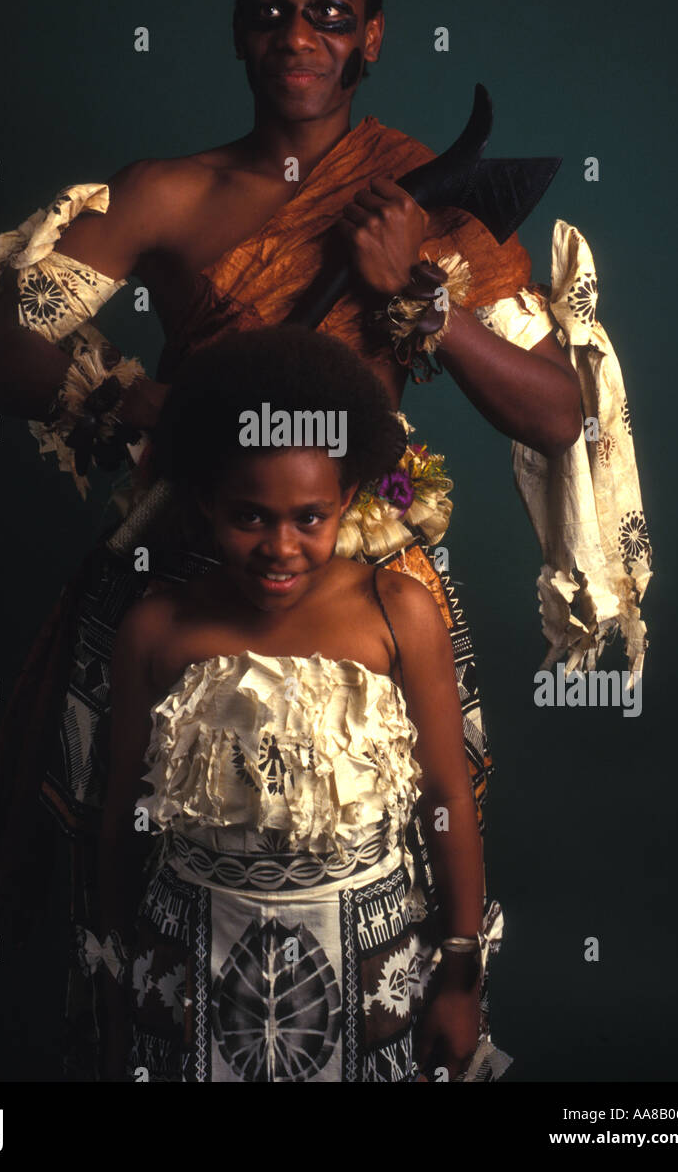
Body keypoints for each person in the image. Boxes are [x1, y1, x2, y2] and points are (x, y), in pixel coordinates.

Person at [0, 0, 649, 1079]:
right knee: (132, 861)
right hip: (182, 566)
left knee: (390, 846)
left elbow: (557, 411)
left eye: (329, 14)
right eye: (273, 12)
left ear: (372, 38)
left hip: (360, 570)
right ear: (241, 35)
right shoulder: (167, 196)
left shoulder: (416, 199)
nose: (299, 33)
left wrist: (422, 297)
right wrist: (123, 403)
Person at [96, 324, 503, 1083]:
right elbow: (121, 823)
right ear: (207, 504)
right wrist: (117, 984)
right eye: (250, 516)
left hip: (373, 983)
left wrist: (460, 975)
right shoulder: (158, 629)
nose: (280, 547)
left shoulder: (397, 613)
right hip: (188, 984)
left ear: (346, 498)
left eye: (309, 518)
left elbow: (449, 799)